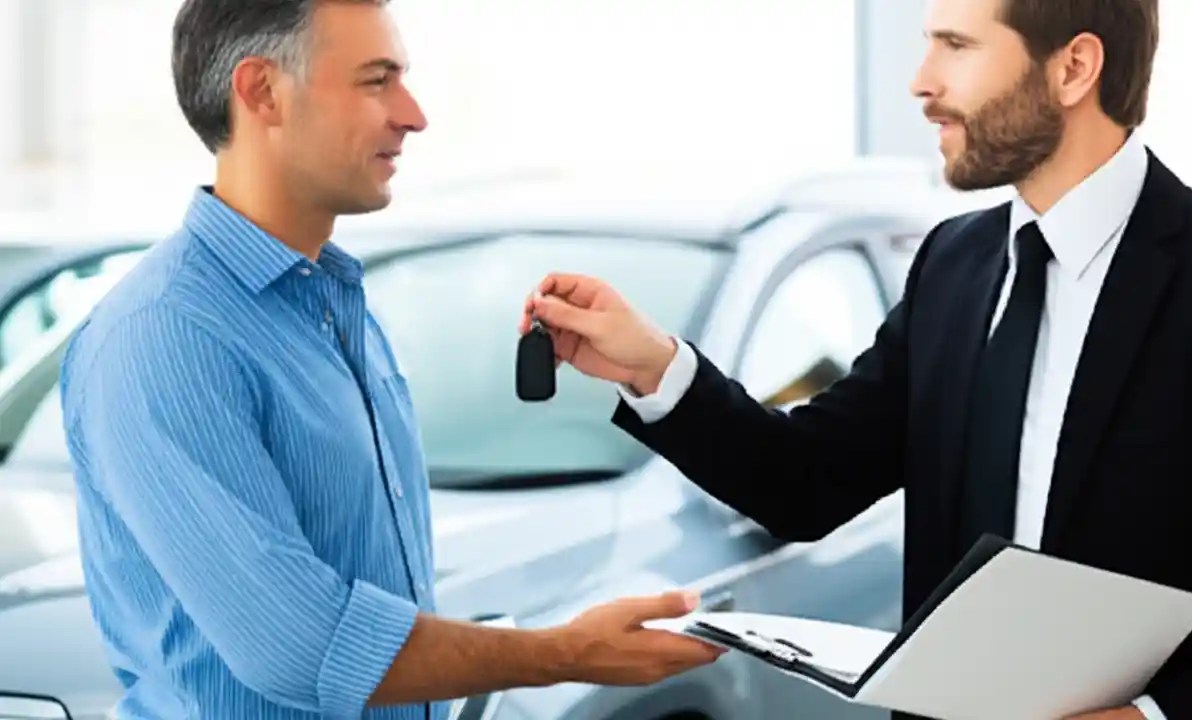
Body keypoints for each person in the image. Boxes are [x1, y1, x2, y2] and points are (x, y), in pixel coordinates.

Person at [522, 0, 1192, 718]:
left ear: (1074, 67)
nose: (921, 80)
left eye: (956, 45)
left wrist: (1155, 715)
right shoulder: (953, 264)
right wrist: (652, 367)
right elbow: (807, 484)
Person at [58, 1, 722, 718]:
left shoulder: (335, 305)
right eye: (377, 81)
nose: (413, 115)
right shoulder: (166, 337)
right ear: (262, 92)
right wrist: (562, 652)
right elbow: (304, 650)